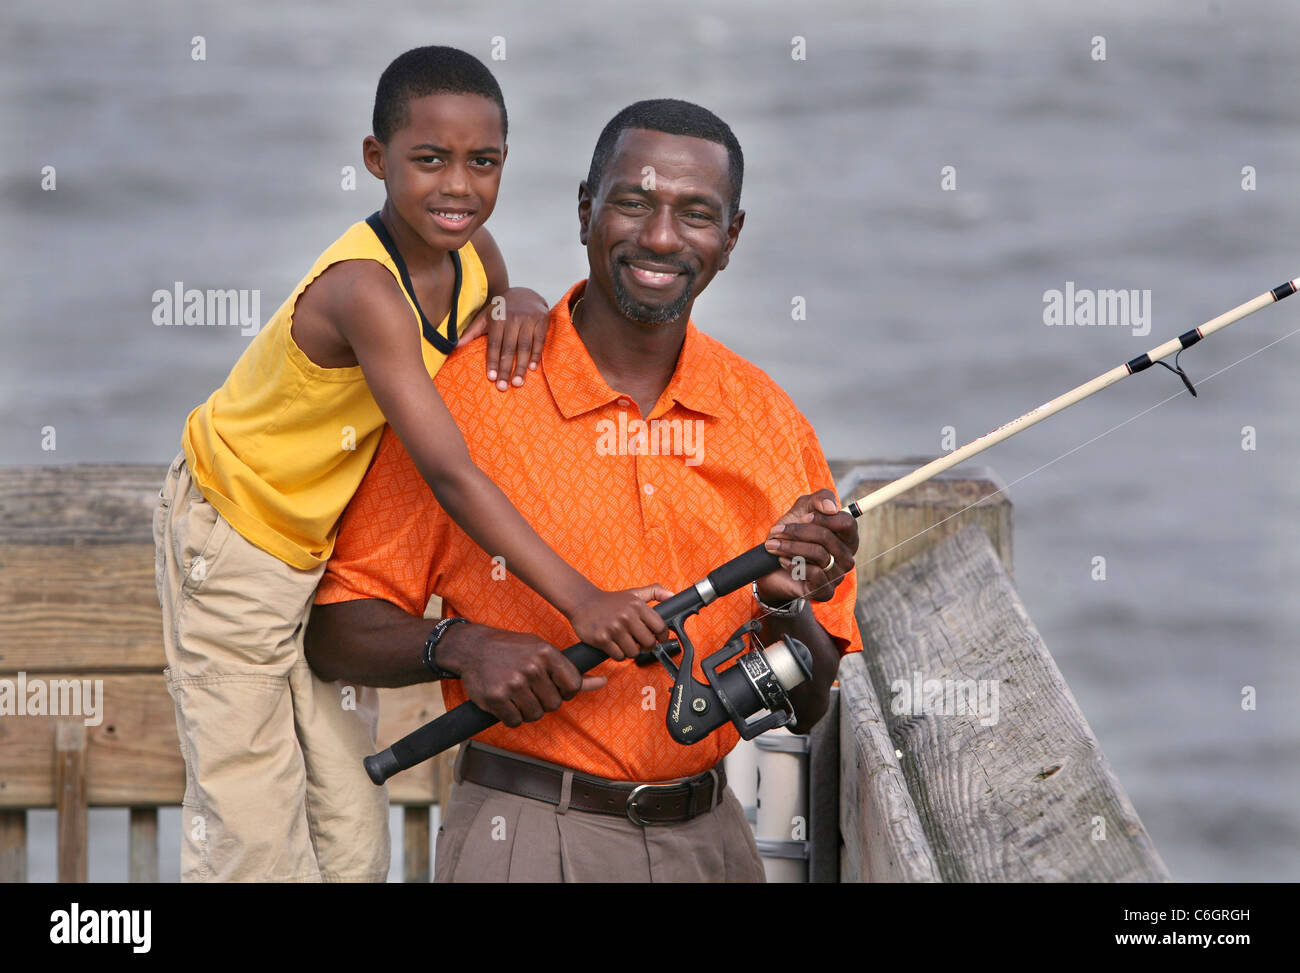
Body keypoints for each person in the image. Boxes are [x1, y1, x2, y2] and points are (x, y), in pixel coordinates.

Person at [306, 98, 862, 882]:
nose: (661, 236)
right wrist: (460, 646)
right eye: (634, 202)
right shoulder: (472, 396)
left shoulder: (770, 422)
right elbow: (334, 628)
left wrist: (784, 601)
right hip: (524, 837)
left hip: (713, 842)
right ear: (584, 211)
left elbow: (807, 698)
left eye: (696, 213)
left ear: (731, 239)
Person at [153, 47, 670, 883]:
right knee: (249, 810)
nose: (458, 187)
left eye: (484, 162)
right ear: (375, 160)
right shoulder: (366, 290)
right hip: (238, 540)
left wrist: (522, 300)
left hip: (316, 549)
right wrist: (581, 598)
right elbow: (450, 471)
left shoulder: (471, 254)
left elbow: (498, 293)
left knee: (346, 810)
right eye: (429, 160)